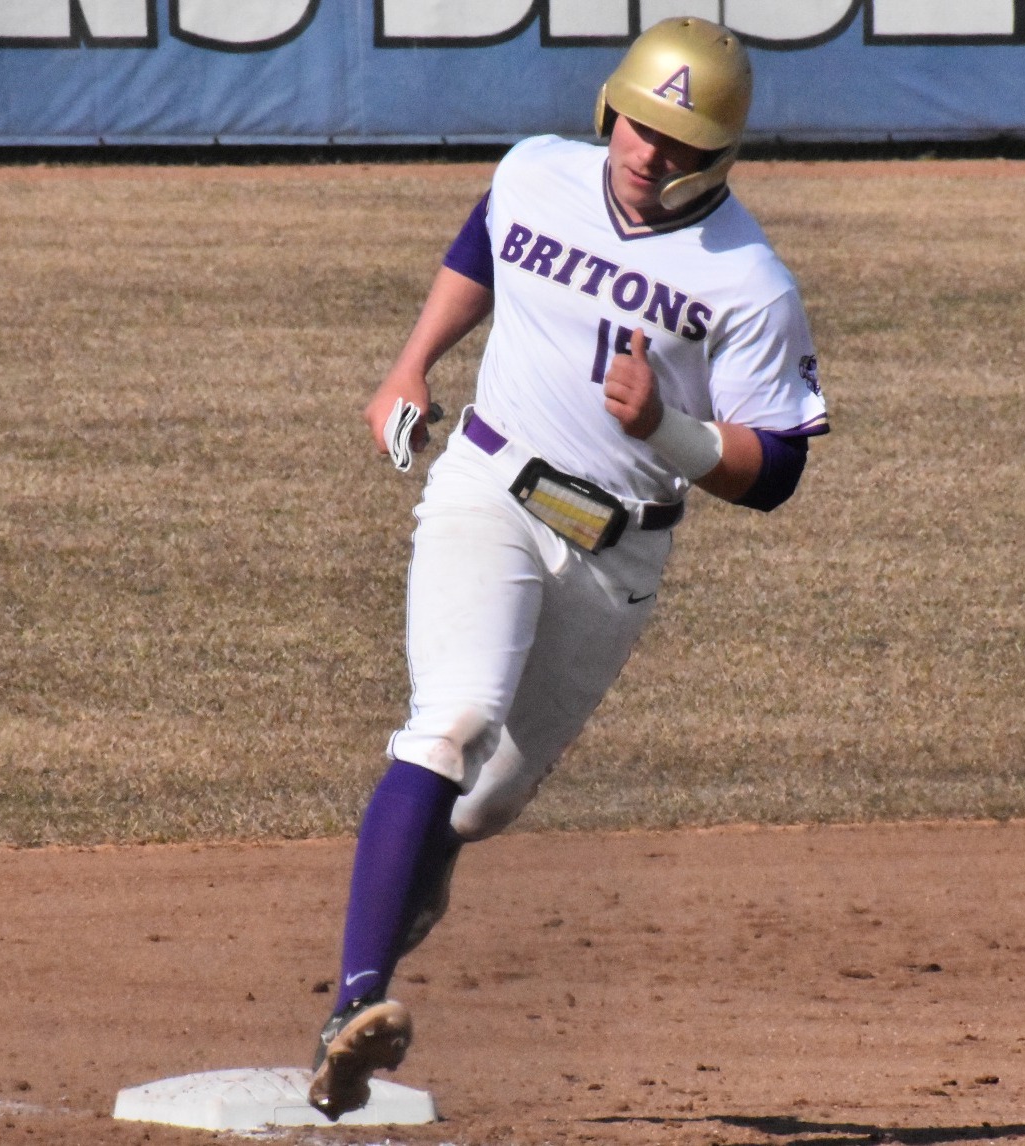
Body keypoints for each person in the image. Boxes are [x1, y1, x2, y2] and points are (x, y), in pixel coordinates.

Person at [307, 16, 829, 1120]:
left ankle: (421, 862)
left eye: (681, 144)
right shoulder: (538, 172)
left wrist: (673, 435)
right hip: (488, 490)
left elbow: (775, 468)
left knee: (486, 801)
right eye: (639, 128)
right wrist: (408, 366)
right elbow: (482, 245)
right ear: (610, 113)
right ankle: (353, 1007)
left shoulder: (749, 282)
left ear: (722, 157)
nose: (650, 155)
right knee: (450, 723)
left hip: (618, 552)